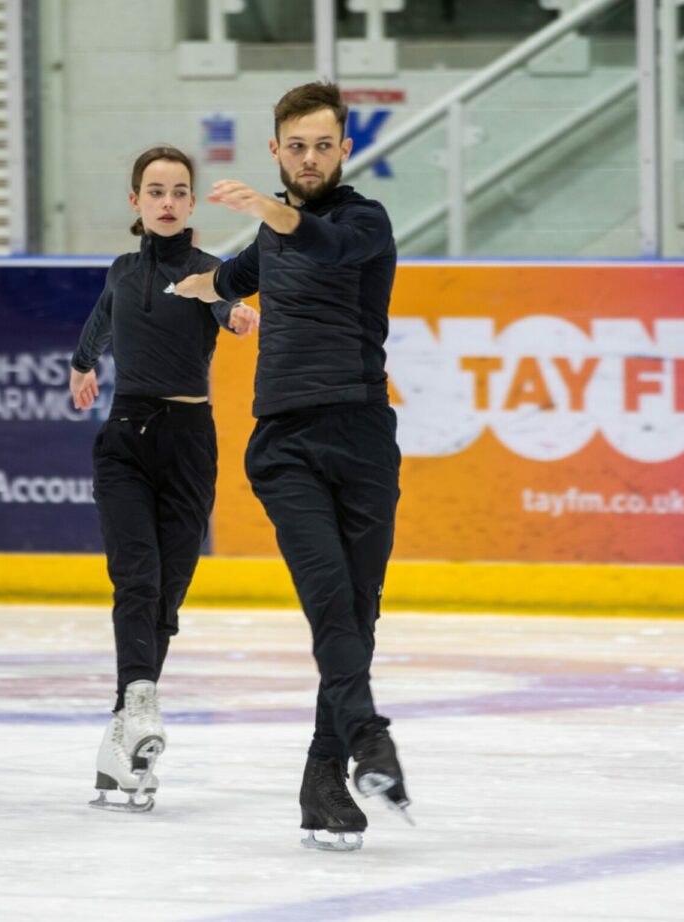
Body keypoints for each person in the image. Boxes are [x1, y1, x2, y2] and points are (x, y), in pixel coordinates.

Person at [175, 81, 409, 851]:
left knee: (358, 609)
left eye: (322, 145)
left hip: (364, 439)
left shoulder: (363, 222)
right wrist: (182, 285)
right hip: (285, 448)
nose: (309, 158)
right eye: (295, 146)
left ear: (344, 150)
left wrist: (271, 213)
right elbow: (223, 280)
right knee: (330, 601)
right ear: (276, 150)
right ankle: (368, 738)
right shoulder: (268, 241)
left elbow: (325, 244)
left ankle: (322, 777)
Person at [70, 145, 258, 813]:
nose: (168, 200)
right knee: (137, 577)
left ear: (191, 201)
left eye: (179, 190)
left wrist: (234, 314)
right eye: (155, 190)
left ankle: (123, 731)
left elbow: (223, 306)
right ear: (136, 202)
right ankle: (141, 702)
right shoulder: (122, 270)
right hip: (125, 438)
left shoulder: (209, 272)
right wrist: (81, 364)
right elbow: (98, 321)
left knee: (167, 599)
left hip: (189, 442)